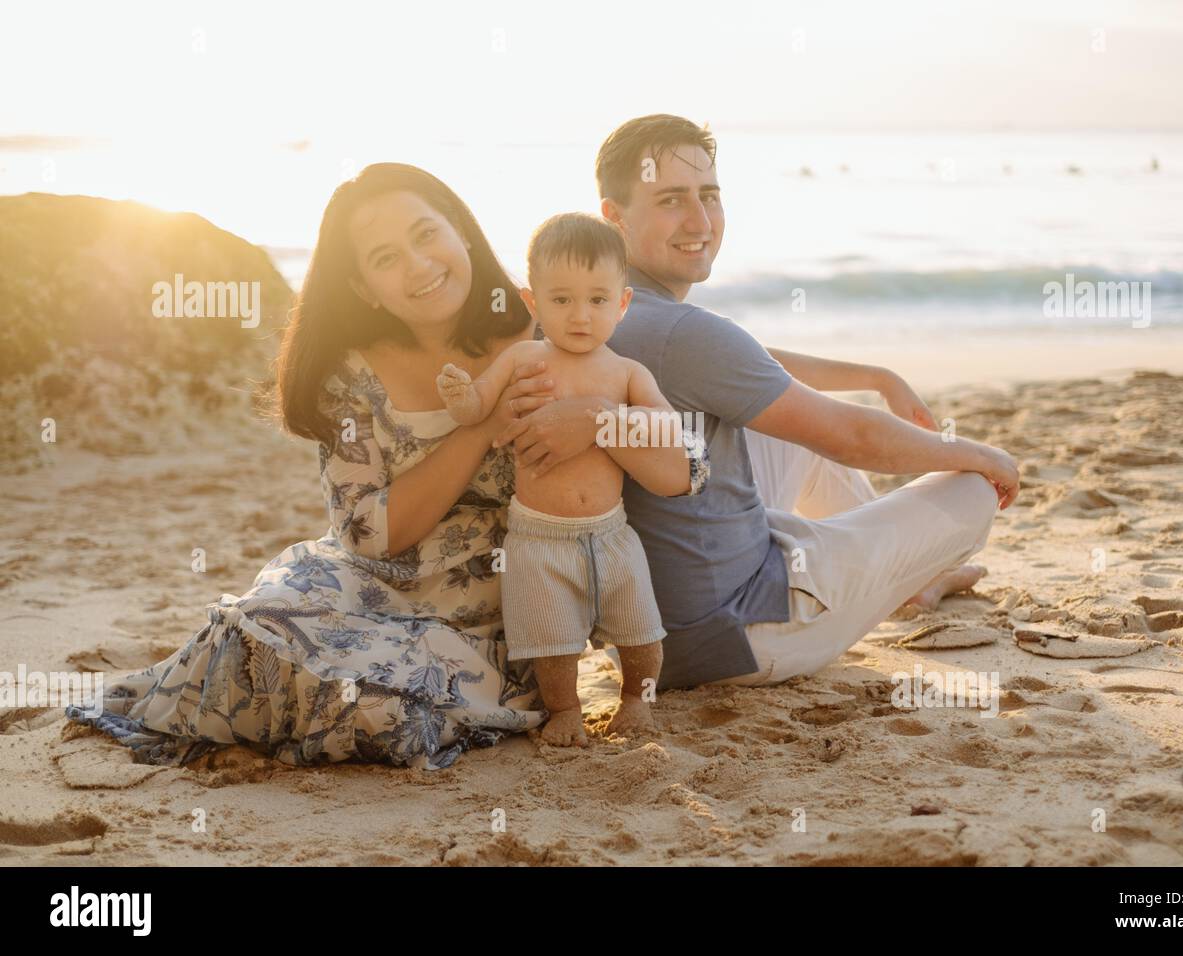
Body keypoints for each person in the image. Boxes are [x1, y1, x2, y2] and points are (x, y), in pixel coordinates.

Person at [65, 163, 701, 768]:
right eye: (384, 258)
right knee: (258, 632)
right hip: (374, 577)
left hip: (507, 587)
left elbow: (686, 465)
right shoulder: (352, 377)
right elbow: (371, 533)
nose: (419, 266)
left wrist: (596, 418)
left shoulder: (556, 318)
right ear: (362, 286)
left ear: (460, 229)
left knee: (372, 705)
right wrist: (477, 426)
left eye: (427, 234)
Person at [494, 116, 1021, 690]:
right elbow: (852, 437)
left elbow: (750, 366)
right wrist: (974, 452)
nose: (699, 220)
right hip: (741, 636)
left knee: (779, 412)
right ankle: (903, 578)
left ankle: (909, 580)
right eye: (671, 200)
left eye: (710, 196)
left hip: (642, 641)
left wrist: (874, 375)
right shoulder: (686, 333)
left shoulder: (594, 315)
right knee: (971, 488)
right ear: (614, 217)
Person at [437, 212, 704, 745]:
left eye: (597, 300)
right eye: (561, 300)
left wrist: (609, 415)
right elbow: (476, 407)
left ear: (622, 303)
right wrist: (460, 395)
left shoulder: (628, 373)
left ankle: (634, 701)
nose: (580, 316)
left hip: (611, 532)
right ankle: (565, 712)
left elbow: (668, 427)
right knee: (549, 643)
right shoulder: (522, 358)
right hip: (537, 536)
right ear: (532, 301)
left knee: (642, 634)